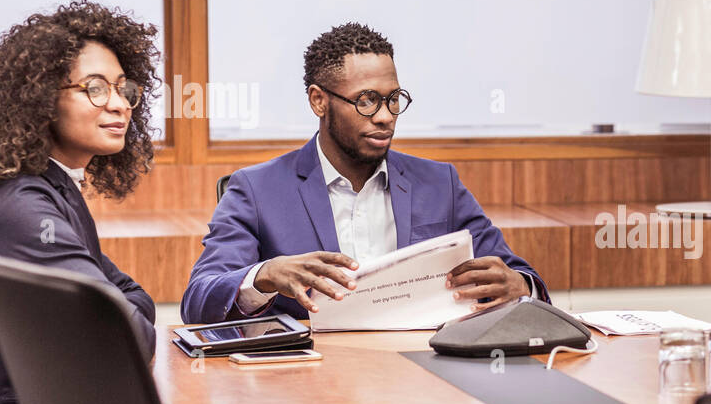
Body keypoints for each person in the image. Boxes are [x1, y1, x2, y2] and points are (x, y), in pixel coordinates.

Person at [181, 22, 547, 324]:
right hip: (310, 385)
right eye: (366, 100)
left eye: (393, 99)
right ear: (318, 101)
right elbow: (199, 300)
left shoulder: (440, 184)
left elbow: (519, 276)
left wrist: (521, 286)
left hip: (425, 373)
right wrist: (262, 276)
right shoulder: (257, 190)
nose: (385, 116)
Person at [0, 0, 160, 404]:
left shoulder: (55, 186)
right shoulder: (23, 204)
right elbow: (127, 338)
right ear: (40, 99)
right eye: (95, 88)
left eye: (124, 89)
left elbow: (130, 294)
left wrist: (128, 308)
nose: (120, 105)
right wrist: (128, 311)